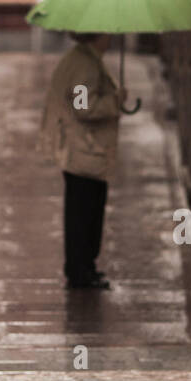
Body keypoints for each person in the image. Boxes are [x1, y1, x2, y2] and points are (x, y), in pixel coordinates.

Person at [39, 32, 125, 289]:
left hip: (86, 149)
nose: (110, 37)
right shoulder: (84, 65)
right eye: (107, 33)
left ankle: (85, 265)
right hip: (84, 149)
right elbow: (83, 106)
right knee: (83, 212)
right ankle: (80, 269)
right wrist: (114, 101)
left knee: (88, 209)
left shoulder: (86, 60)